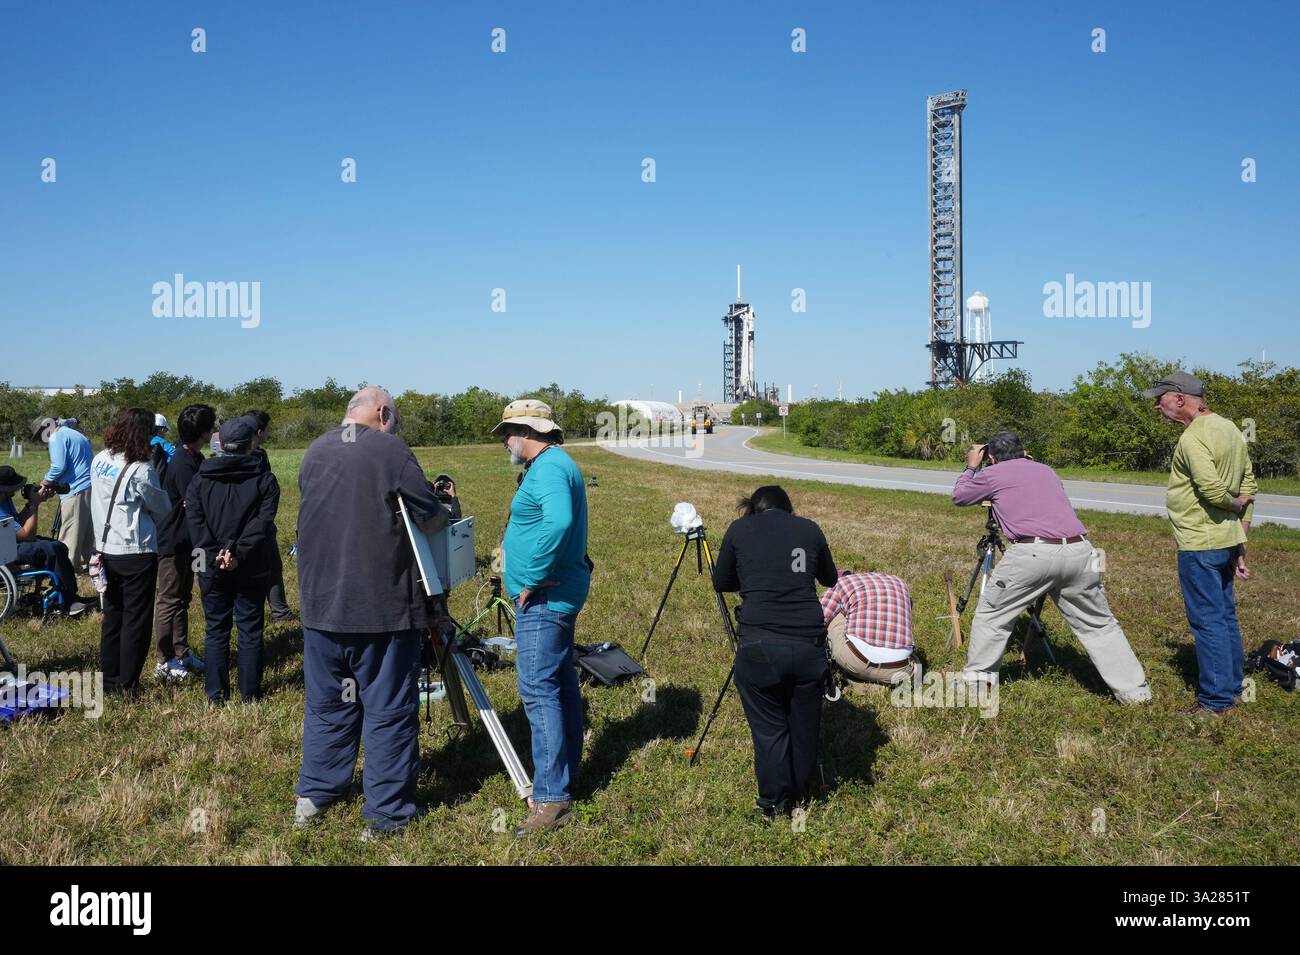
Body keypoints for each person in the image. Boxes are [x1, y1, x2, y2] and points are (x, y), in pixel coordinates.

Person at [294, 386, 451, 840]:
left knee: (329, 705)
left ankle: (317, 793)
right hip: (379, 610)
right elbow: (429, 516)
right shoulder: (390, 448)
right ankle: (387, 815)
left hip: (321, 606)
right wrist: (443, 505)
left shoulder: (316, 449)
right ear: (383, 413)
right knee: (388, 710)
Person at [952, 430, 1151, 703]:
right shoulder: (1046, 470)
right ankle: (1135, 692)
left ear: (993, 459)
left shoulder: (992, 473)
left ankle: (977, 686)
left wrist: (972, 466)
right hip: (1081, 550)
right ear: (1024, 452)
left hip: (1032, 552)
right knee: (1099, 624)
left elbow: (960, 496)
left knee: (992, 616)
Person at [492, 399, 590, 836]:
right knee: (560, 685)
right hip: (557, 594)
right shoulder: (555, 463)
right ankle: (567, 772)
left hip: (545, 600)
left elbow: (559, 522)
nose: (505, 442)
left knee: (537, 691)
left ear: (527, 431)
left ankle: (551, 799)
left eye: (507, 433)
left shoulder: (549, 466)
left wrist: (531, 576)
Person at [712, 485, 838, 823]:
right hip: (808, 644)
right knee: (804, 724)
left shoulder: (739, 530)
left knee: (769, 729)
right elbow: (830, 578)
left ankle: (771, 803)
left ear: (753, 509)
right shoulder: (809, 529)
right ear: (789, 509)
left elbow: (720, 581)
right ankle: (800, 797)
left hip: (759, 647)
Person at [1144, 370, 1257, 718]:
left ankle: (1215, 701)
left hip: (1200, 542)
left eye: (1160, 399)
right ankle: (1234, 686)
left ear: (1179, 398)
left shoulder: (1193, 437)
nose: (1157, 407)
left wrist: (1233, 504)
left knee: (1207, 620)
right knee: (1225, 616)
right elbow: (1249, 482)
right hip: (1225, 540)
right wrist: (1241, 537)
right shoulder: (1230, 429)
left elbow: (1212, 489)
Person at [186, 415, 281, 704]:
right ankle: (249, 694)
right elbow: (262, 523)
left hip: (208, 561)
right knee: (250, 627)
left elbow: (196, 523)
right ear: (251, 443)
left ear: (221, 444)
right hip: (250, 562)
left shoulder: (199, 480)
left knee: (216, 627)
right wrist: (236, 554)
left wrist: (216, 555)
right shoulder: (264, 480)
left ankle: (215, 694)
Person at [90, 408, 173, 696]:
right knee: (136, 619)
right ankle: (128, 683)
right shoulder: (141, 467)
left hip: (104, 548)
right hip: (136, 549)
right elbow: (161, 508)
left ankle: (109, 678)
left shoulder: (99, 459)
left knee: (113, 616)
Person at [152, 403, 216, 681]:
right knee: (169, 599)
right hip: (173, 542)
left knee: (182, 599)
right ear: (203, 432)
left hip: (186, 541)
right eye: (211, 427)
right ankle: (164, 659)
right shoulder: (182, 462)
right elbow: (195, 502)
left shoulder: (194, 457)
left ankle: (182, 652)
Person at [0, 466, 93, 615]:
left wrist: (33, 502)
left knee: (58, 545)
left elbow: (17, 522)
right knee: (51, 549)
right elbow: (27, 535)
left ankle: (67, 595)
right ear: (4, 488)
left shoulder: (5, 499)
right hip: (5, 551)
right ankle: (69, 602)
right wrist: (33, 504)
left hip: (8, 542)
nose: (17, 489)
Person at [820, 570, 917, 686]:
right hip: (899, 671)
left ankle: (857, 677)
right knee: (916, 661)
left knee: (835, 614)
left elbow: (819, 619)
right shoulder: (900, 582)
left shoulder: (841, 583)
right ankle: (878, 682)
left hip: (855, 662)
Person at [244, 409, 294, 622]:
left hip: (241, 523)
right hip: (259, 521)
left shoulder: (232, 455)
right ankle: (279, 611)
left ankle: (255, 612)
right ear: (260, 430)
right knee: (271, 566)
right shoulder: (257, 457)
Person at [41, 417, 95, 571]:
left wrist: (45, 481)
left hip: (75, 488)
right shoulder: (73, 433)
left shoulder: (56, 437)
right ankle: (86, 563)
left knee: (71, 531)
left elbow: (58, 466)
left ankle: (67, 568)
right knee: (85, 530)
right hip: (88, 485)